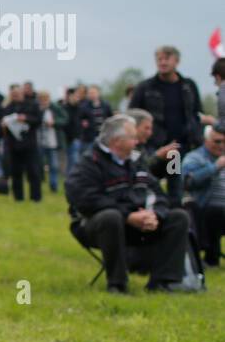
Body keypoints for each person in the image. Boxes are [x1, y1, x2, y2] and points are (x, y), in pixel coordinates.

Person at [65, 114, 192, 293]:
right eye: (133, 138)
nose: (137, 142)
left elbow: (156, 193)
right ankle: (117, 283)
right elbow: (87, 200)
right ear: (117, 141)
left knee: (178, 217)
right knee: (111, 217)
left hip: (138, 222)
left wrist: (155, 214)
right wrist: (128, 216)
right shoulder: (88, 164)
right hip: (97, 226)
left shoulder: (137, 161)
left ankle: (164, 281)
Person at [129, 46, 204, 205]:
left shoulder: (188, 87)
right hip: (151, 147)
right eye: (159, 59)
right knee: (145, 182)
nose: (162, 63)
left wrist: (196, 136)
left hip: (176, 148)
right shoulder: (145, 87)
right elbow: (132, 115)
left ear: (176, 61)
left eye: (166, 59)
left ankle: (173, 218)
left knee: (175, 190)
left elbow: (197, 114)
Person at [182, 121, 225, 266]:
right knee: (217, 211)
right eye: (217, 141)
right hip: (203, 208)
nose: (221, 145)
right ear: (206, 140)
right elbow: (188, 182)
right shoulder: (194, 158)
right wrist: (215, 167)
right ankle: (211, 258)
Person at [0, 84, 42, 202]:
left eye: (17, 94)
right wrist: (3, 125)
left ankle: (35, 197)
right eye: (13, 95)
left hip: (29, 144)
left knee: (33, 171)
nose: (15, 96)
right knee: (15, 172)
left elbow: (38, 120)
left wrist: (25, 118)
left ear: (22, 93)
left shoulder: (32, 105)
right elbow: (1, 124)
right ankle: (18, 197)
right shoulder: (8, 107)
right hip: (13, 145)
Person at [37, 89, 66, 193]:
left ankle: (54, 185)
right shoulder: (37, 108)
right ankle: (39, 184)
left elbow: (65, 119)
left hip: (53, 141)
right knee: (39, 164)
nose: (43, 101)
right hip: (39, 140)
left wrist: (54, 122)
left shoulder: (55, 108)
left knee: (53, 165)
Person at [76, 85, 112, 156]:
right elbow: (78, 119)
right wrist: (83, 123)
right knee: (88, 156)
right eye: (90, 93)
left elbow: (110, 118)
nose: (92, 95)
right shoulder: (84, 106)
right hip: (89, 137)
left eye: (93, 93)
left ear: (98, 93)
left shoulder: (106, 105)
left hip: (103, 136)